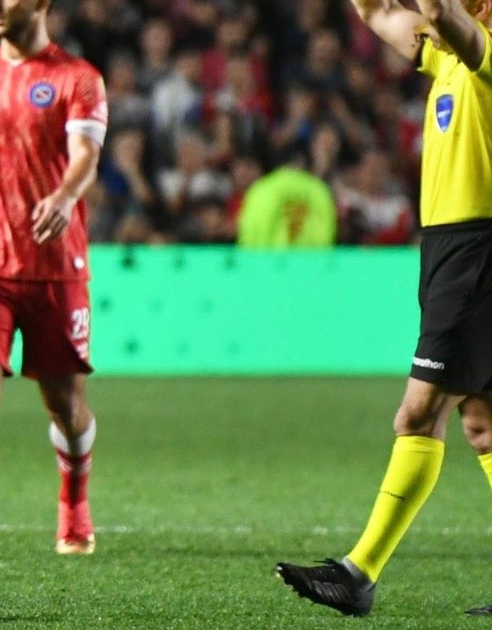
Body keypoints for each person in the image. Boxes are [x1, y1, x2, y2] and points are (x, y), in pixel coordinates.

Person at [276, 0, 492, 617]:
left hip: (476, 253)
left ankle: (359, 573)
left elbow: (441, 14)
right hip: (452, 251)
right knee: (483, 423)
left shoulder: (482, 54)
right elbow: (375, 12)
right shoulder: (444, 60)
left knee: (418, 414)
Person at [0, 0, 107, 560]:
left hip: (54, 266)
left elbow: (86, 154)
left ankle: (74, 505)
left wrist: (65, 196)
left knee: (64, 403)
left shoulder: (78, 79)